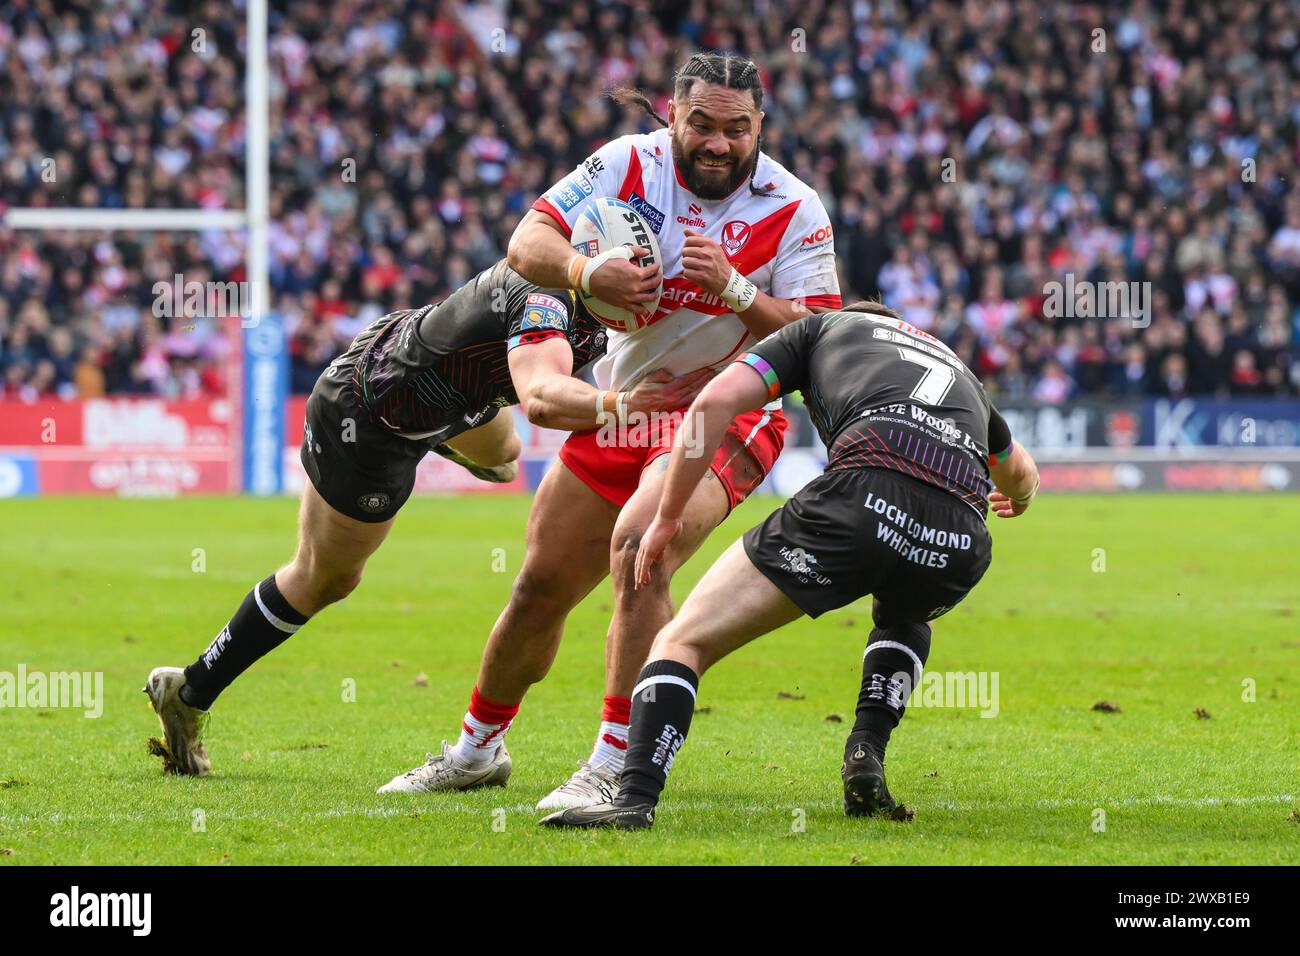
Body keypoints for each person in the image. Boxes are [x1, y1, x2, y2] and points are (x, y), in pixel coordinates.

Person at [377, 52, 842, 806]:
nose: (718, 143)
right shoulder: (627, 164)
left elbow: (821, 336)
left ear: (760, 127)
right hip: (629, 406)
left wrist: (737, 289)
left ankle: (615, 765)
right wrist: (587, 275)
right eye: (702, 124)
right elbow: (528, 241)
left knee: (639, 550)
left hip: (726, 413)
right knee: (538, 587)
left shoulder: (795, 207)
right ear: (671, 115)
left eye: (737, 128)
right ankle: (476, 749)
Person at [143, 259, 708, 776]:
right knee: (325, 577)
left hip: (445, 389)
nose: (647, 293)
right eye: (638, 279)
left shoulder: (602, 300)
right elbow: (543, 397)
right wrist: (628, 407)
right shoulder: (546, 298)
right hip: (369, 418)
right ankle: (191, 690)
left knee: (507, 459)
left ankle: (440, 426)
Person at [539, 301, 1040, 829]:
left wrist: (666, 517)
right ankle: (866, 752)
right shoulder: (954, 363)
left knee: (682, 641)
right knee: (906, 606)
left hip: (864, 491)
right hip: (960, 535)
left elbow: (714, 404)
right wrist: (1019, 498)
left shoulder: (819, 329)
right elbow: (1020, 473)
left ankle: (632, 800)